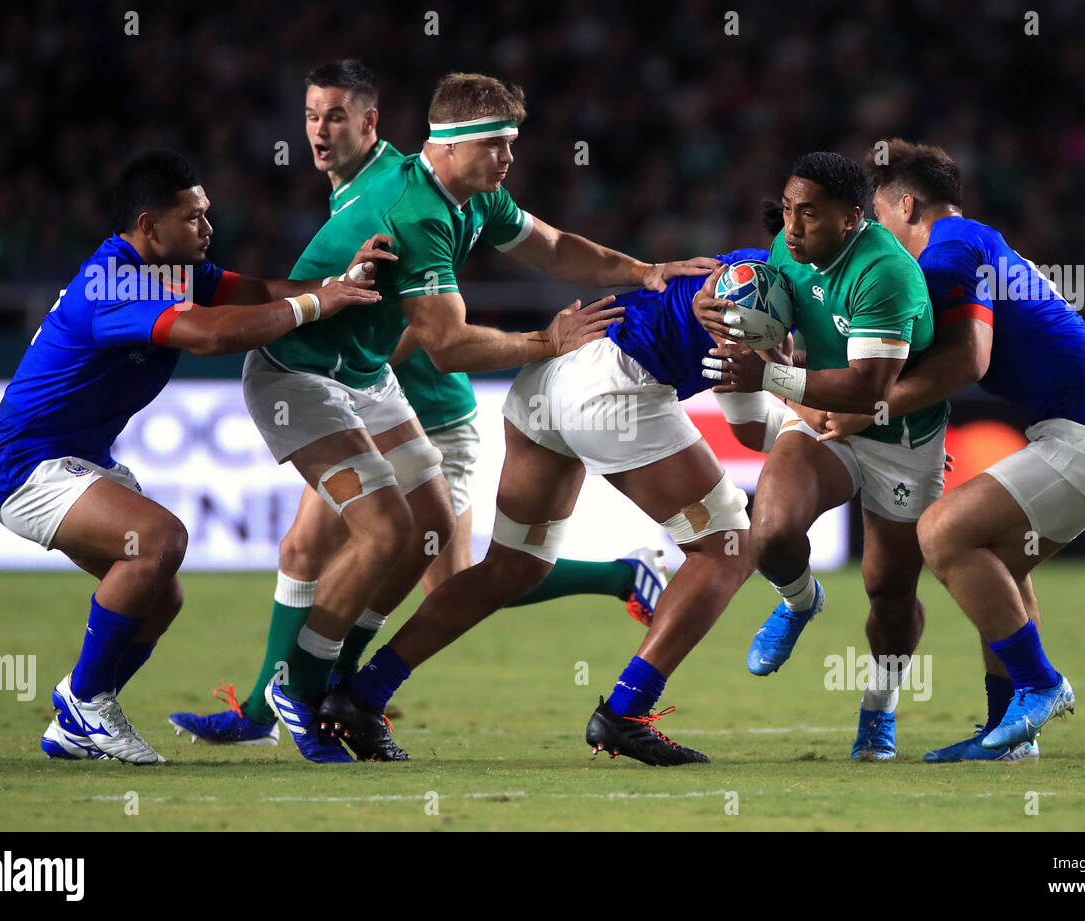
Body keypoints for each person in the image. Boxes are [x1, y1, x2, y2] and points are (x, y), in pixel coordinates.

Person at [169, 61, 668, 748]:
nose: (510, 157)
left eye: (512, 142)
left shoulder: (466, 193)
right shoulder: (418, 214)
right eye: (498, 144)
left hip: (368, 376)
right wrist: (545, 341)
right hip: (303, 374)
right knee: (383, 538)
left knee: (425, 538)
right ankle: (299, 690)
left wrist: (645, 270)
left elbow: (550, 246)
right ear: (452, 143)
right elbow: (451, 347)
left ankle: (304, 693)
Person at [0, 149, 382, 764]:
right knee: (159, 539)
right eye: (192, 217)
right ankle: (85, 703)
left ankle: (78, 720)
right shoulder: (111, 284)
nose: (207, 228)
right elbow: (213, 335)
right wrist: (315, 306)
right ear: (149, 226)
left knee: (161, 593)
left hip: (77, 455)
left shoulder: (174, 268)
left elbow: (257, 292)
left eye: (206, 213)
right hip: (26, 462)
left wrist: (333, 288)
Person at [325, 246, 787, 766]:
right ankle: (625, 713)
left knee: (514, 564)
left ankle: (362, 696)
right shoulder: (776, 276)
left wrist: (798, 399)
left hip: (555, 374)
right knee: (727, 546)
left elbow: (752, 425)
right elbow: (724, 288)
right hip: (614, 387)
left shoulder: (774, 286)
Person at [837, 139, 1085, 759]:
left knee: (942, 534)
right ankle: (1004, 735)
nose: (878, 235)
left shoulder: (953, 245)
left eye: (878, 218)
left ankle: (1039, 683)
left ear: (907, 206)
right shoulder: (979, 244)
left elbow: (938, 341)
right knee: (998, 567)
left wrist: (848, 380)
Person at [698, 152, 949, 761]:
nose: (791, 227)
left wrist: (771, 376)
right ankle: (801, 600)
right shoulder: (789, 249)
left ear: (852, 217)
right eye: (787, 210)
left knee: (888, 592)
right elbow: (766, 311)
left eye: (808, 213)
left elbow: (870, 389)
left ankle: (878, 711)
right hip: (815, 416)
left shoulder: (885, 272)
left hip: (900, 440)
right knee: (772, 535)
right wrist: (722, 310)